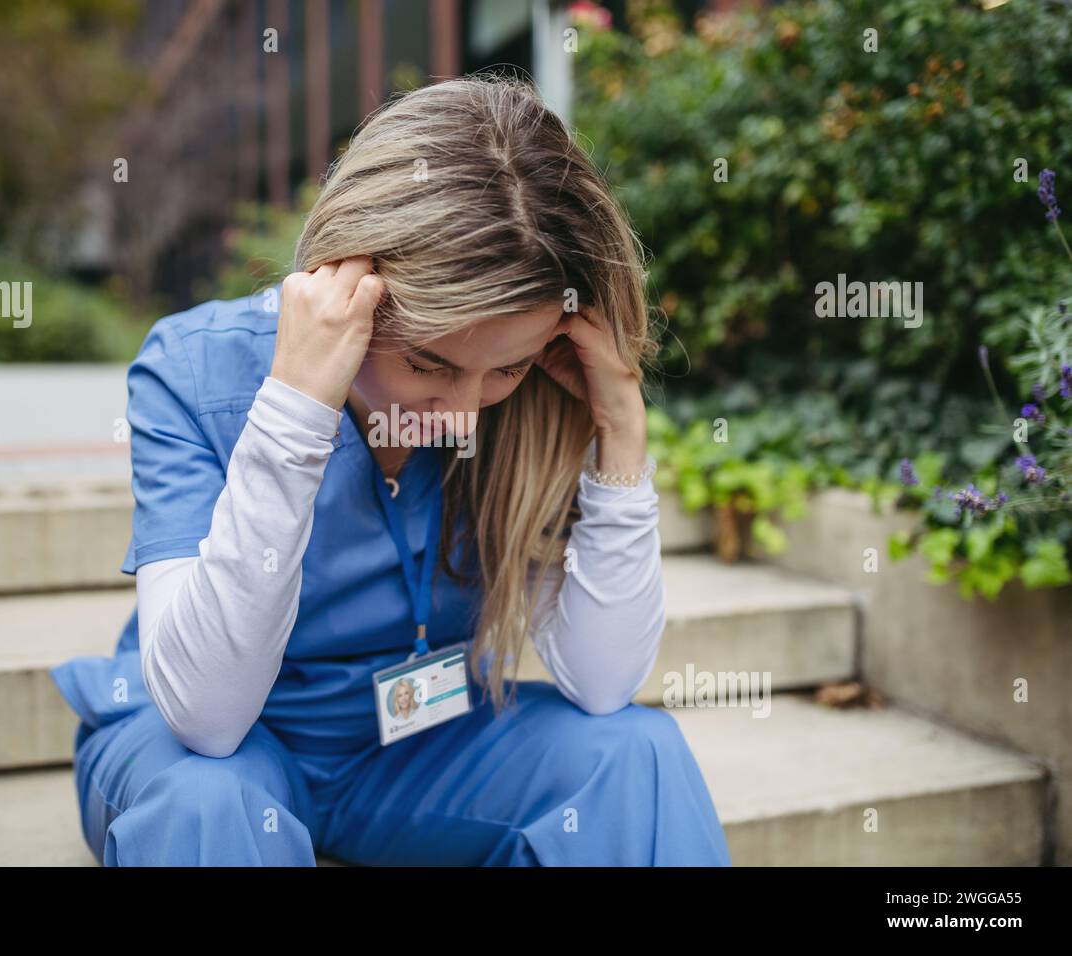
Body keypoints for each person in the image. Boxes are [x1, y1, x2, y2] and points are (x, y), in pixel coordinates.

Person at [50, 73, 732, 867]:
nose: (462, 414)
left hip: (419, 745)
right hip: (213, 748)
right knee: (207, 802)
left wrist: (617, 425)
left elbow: (603, 686)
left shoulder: (539, 395)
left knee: (636, 751)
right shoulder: (192, 371)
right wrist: (298, 409)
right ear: (347, 280)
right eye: (426, 362)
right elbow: (207, 719)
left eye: (505, 369)